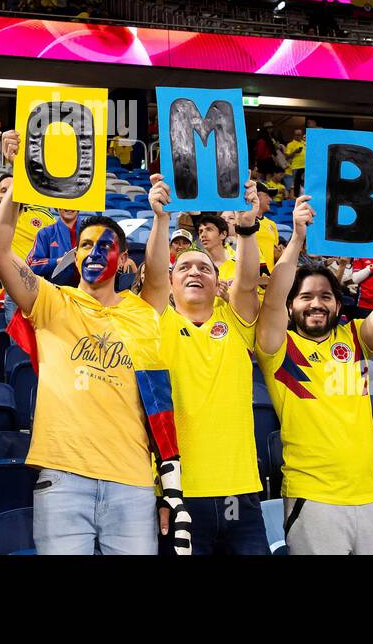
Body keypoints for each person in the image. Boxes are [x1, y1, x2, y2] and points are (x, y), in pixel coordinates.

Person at [0, 129, 189, 555]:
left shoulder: (141, 309)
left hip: (133, 480)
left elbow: (156, 277)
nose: (94, 252)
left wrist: (162, 218)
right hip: (63, 477)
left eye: (106, 245)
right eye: (85, 245)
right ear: (73, 254)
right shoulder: (50, 301)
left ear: (124, 258)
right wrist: (19, 183)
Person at [256, 195, 373, 554]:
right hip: (313, 498)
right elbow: (272, 299)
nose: (316, 303)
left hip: (371, 496)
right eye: (306, 296)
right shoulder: (278, 348)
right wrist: (296, 239)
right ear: (292, 305)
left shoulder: (355, 337)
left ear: (338, 305)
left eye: (326, 296)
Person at [138, 174, 268, 554]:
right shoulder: (156, 321)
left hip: (239, 492)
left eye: (205, 268)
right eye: (184, 268)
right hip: (180, 493)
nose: (195, 271)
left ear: (217, 282)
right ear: (170, 282)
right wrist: (161, 220)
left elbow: (246, 283)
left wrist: (246, 229)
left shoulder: (236, 323)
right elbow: (154, 279)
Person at [26, 208, 82, 285]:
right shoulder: (45, 233)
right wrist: (58, 261)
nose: (69, 207)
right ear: (57, 206)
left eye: (73, 202)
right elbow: (32, 265)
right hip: (56, 292)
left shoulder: (91, 231)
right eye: (64, 202)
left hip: (86, 293)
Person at [283, 127, 305, 194]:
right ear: (294, 135)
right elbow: (286, 158)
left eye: (300, 134)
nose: (299, 136)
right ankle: (296, 198)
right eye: (297, 135)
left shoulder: (304, 143)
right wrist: (294, 152)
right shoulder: (290, 144)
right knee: (297, 184)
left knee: (305, 184)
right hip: (296, 167)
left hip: (306, 166)